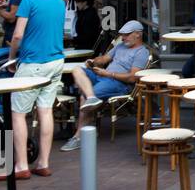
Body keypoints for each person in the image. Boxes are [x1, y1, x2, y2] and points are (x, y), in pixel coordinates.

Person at [6, 0, 65, 179]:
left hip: (33, 62)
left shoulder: (29, 0)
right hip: (56, 60)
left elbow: (18, 34)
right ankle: (43, 162)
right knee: (46, 111)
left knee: (19, 113)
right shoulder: (59, 0)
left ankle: (21, 164)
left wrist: (12, 57)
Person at [61, 20, 151, 151]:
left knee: (83, 97)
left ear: (138, 34)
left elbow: (132, 78)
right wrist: (93, 62)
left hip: (118, 83)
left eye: (127, 34)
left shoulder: (141, 52)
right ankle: (91, 100)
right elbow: (103, 59)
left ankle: (78, 136)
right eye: (122, 35)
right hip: (102, 76)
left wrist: (109, 74)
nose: (123, 37)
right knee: (77, 69)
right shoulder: (120, 46)